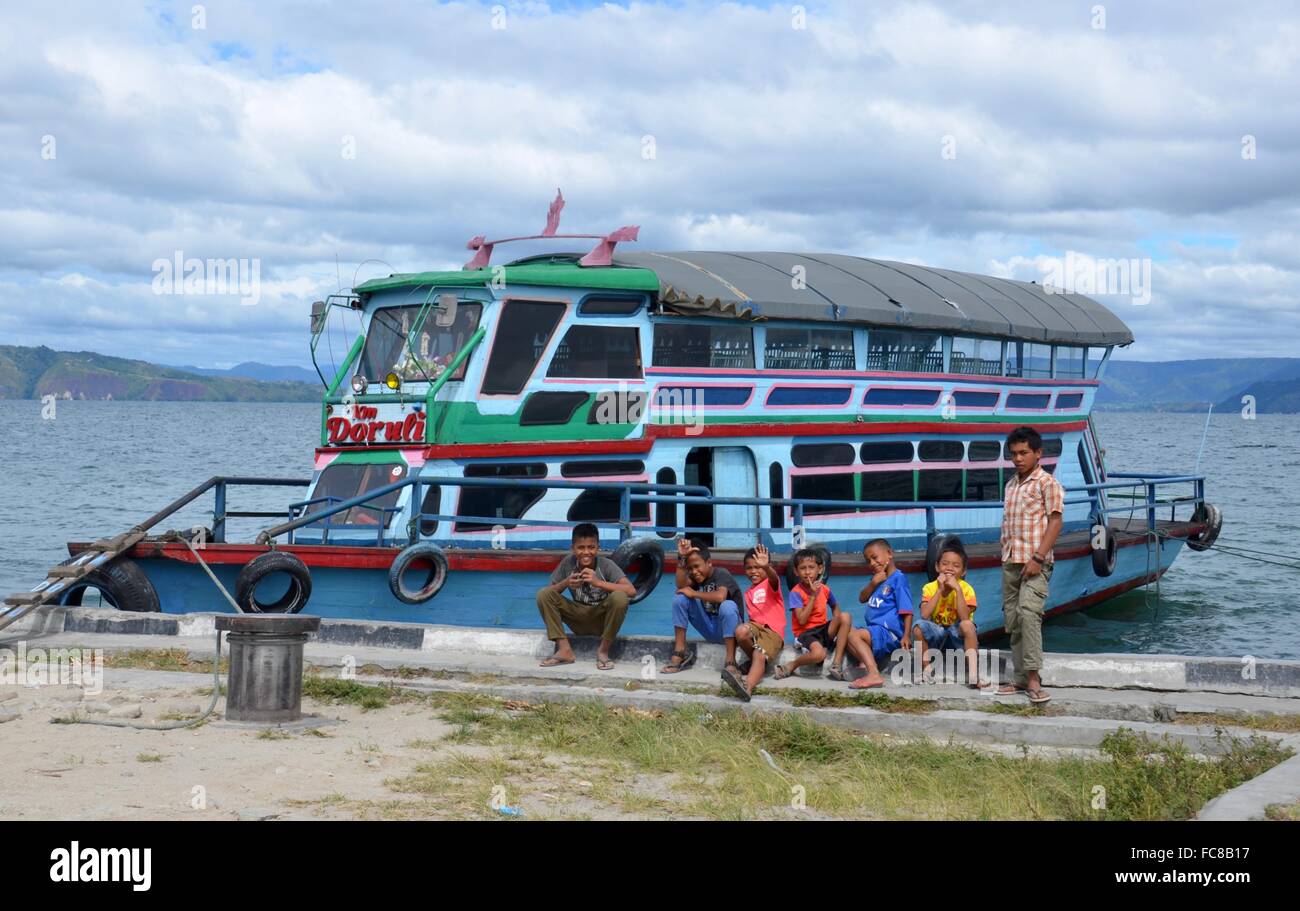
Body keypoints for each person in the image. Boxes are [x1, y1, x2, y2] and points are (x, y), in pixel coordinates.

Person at [998, 426, 1064, 705]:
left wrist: (1038, 558)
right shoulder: (1011, 484)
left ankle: (1034, 678)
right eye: (1013, 454)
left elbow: (1055, 521)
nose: (1018, 458)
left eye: (1024, 453)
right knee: (1013, 619)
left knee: (1029, 613)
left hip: (1035, 560)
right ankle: (1021, 677)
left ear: (1038, 453)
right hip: (1011, 559)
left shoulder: (1047, 483)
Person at [536, 523, 636, 670]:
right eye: (581, 548)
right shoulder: (568, 563)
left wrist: (599, 583)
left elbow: (631, 590)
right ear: (573, 548)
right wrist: (566, 583)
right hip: (577, 618)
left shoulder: (606, 565)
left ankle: (603, 651)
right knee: (543, 594)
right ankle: (565, 650)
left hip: (601, 620)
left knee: (620, 597)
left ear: (598, 547)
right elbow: (550, 592)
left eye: (591, 547)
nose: (586, 552)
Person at [913, 542, 989, 688]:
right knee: (918, 627)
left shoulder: (967, 589)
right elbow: (924, 615)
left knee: (967, 625)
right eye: (945, 564)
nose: (949, 568)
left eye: (956, 565)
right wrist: (940, 591)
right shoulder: (929, 588)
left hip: (957, 636)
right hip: (938, 634)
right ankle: (926, 670)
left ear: (964, 570)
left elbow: (965, 617)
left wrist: (958, 591)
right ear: (937, 567)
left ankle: (974, 675)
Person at [661, 537, 742, 674]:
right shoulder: (697, 578)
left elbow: (720, 596)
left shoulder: (721, 573)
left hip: (731, 632)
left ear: (709, 562)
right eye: (690, 568)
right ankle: (680, 651)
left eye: (697, 566)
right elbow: (681, 586)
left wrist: (694, 594)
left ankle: (730, 660)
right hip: (709, 629)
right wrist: (681, 558)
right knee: (680, 599)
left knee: (727, 606)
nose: (694, 572)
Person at [774, 548, 854, 681]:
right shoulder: (796, 593)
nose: (807, 572)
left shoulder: (825, 589)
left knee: (845, 616)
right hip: (806, 633)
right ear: (796, 571)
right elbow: (801, 620)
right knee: (819, 654)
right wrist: (812, 596)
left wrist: (837, 626)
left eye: (811, 567)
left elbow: (835, 606)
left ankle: (836, 664)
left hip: (822, 630)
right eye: (802, 568)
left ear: (820, 569)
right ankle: (791, 665)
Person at [847, 538, 913, 689]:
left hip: (888, 633)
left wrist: (906, 635)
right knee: (844, 633)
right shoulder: (877, 580)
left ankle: (873, 673)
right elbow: (862, 598)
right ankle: (866, 664)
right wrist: (873, 583)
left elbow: (907, 611)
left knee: (852, 635)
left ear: (889, 554)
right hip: (875, 631)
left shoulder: (899, 579)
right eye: (868, 561)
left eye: (875, 558)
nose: (871, 563)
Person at [722, 544, 785, 701]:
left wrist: (767, 567)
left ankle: (747, 686)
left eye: (758, 567)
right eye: (749, 568)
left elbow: (774, 578)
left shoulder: (770, 585)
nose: (753, 571)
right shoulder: (748, 592)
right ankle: (758, 662)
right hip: (755, 627)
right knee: (740, 631)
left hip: (772, 631)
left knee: (758, 654)